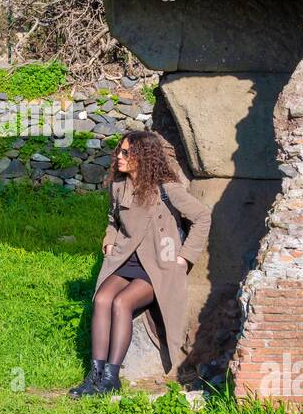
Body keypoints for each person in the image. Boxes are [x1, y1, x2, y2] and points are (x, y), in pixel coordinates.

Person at [69, 130, 212, 397]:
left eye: (126, 153)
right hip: (127, 258)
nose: (118, 157)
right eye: (119, 151)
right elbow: (113, 220)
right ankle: (94, 374)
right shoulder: (118, 186)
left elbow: (202, 217)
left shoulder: (167, 189)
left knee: (122, 303)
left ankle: (111, 377)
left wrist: (185, 256)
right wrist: (109, 239)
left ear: (142, 157)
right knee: (101, 299)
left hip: (159, 263)